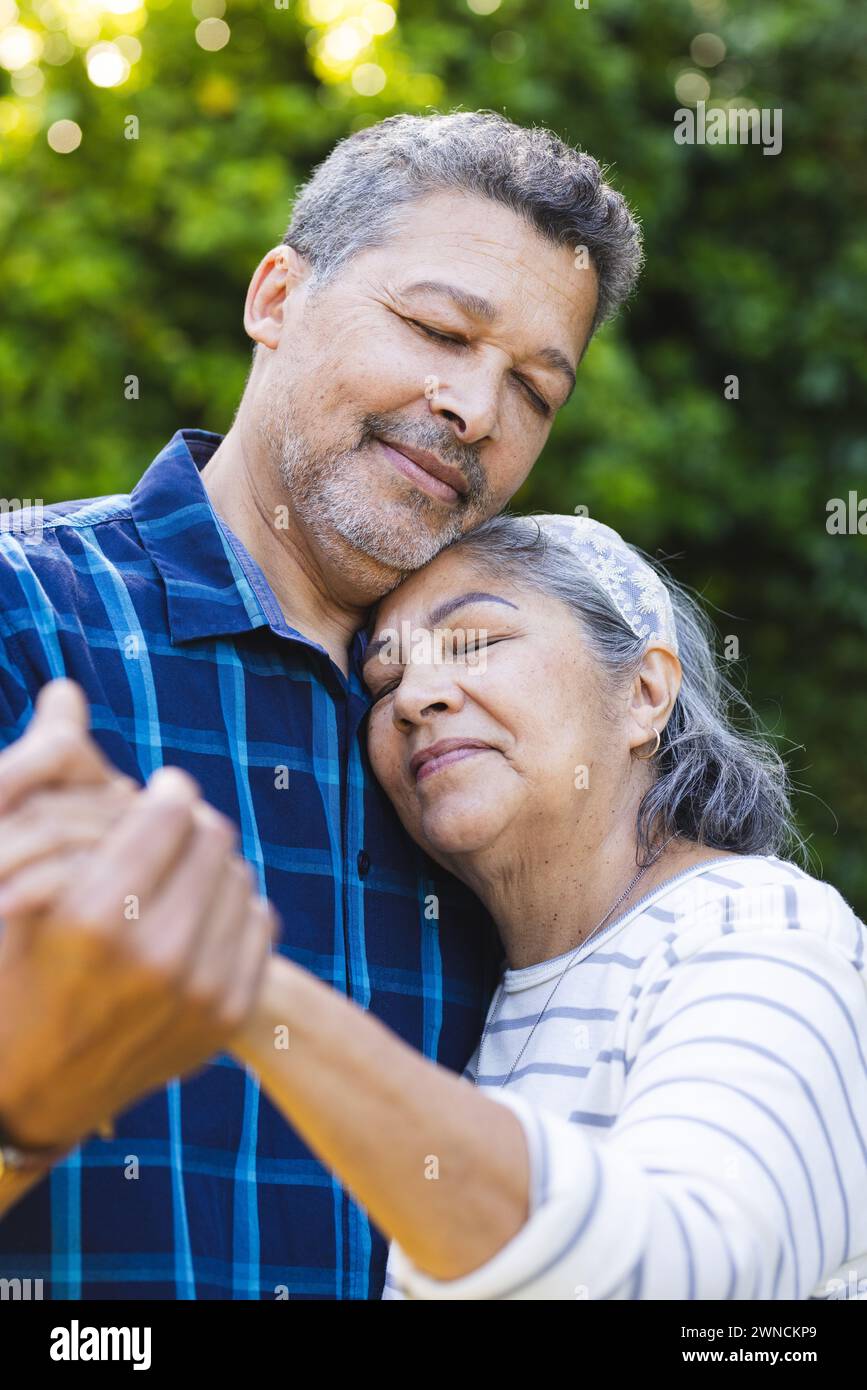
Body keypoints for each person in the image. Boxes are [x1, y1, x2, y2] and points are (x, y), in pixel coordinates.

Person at [0, 110, 641, 1298]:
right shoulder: (24, 617)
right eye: (440, 328)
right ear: (277, 297)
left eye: (535, 392)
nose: (476, 410)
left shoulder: (502, 751)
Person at [7, 515, 866, 1299]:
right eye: (384, 683)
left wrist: (243, 977)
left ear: (643, 692)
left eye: (471, 641)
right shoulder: (472, 995)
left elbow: (699, 1285)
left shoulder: (763, 931)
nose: (415, 698)